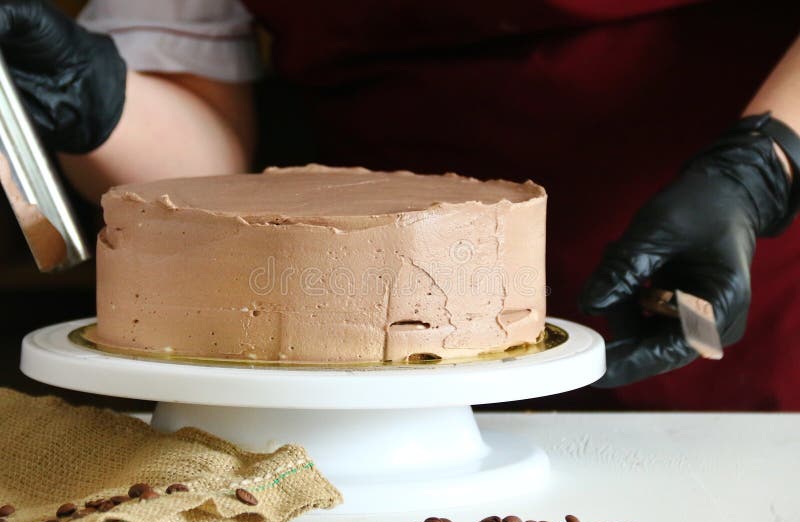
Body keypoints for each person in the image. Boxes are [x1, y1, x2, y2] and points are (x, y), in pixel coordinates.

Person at [1, 0, 799, 410]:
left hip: (729, 255)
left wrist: (763, 165)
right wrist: (87, 92)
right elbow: (206, 170)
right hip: (354, 344)